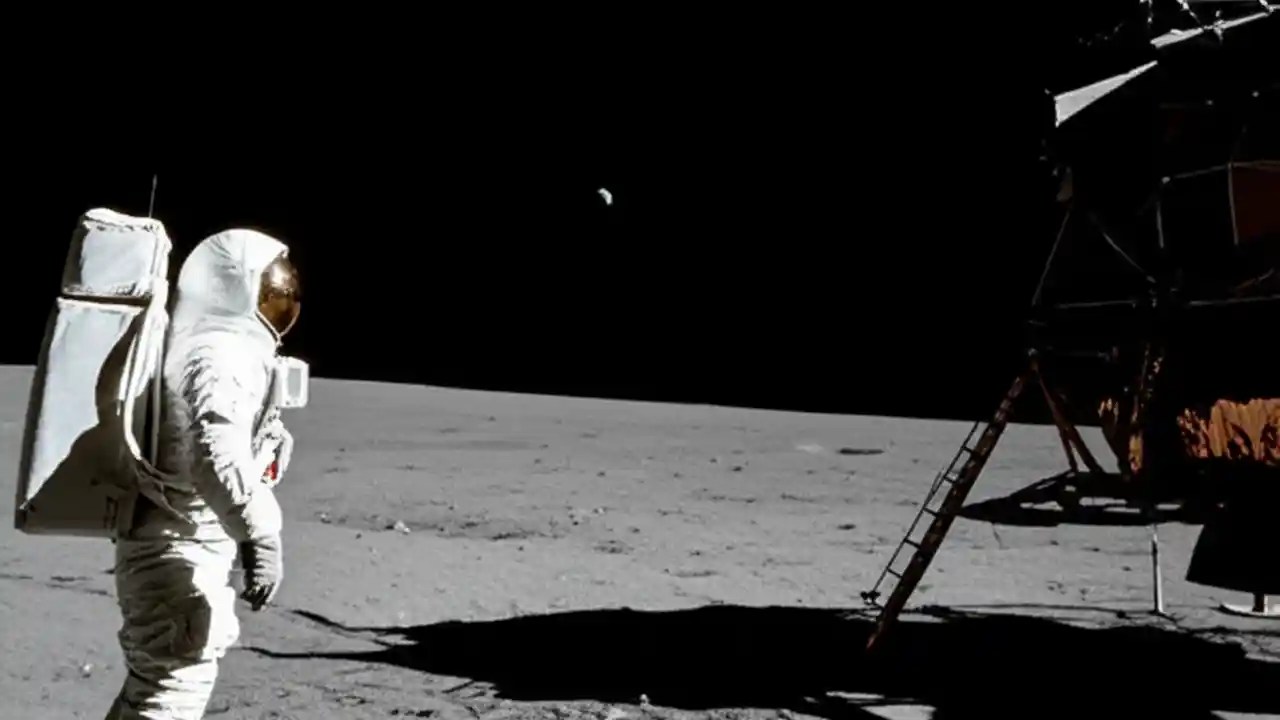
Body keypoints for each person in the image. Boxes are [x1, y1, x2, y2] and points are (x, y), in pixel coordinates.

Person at [105, 228, 302, 719]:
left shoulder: (207, 346)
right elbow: (218, 455)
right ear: (235, 290)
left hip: (179, 539)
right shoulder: (217, 356)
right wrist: (261, 534)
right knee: (172, 689)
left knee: (159, 687)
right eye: (273, 292)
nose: (286, 302)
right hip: (176, 548)